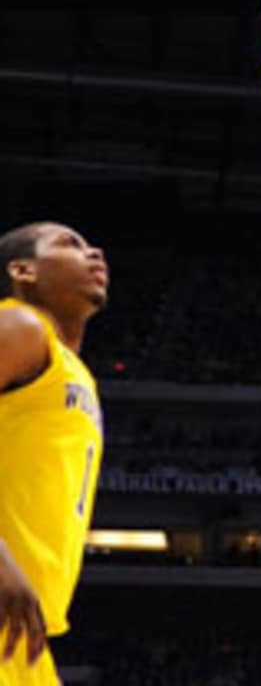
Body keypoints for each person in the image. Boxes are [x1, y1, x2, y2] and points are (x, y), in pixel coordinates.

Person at [0, 223, 107, 686]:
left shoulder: (70, 370)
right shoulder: (20, 326)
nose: (95, 252)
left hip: (23, 634)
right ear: (23, 270)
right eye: (70, 245)